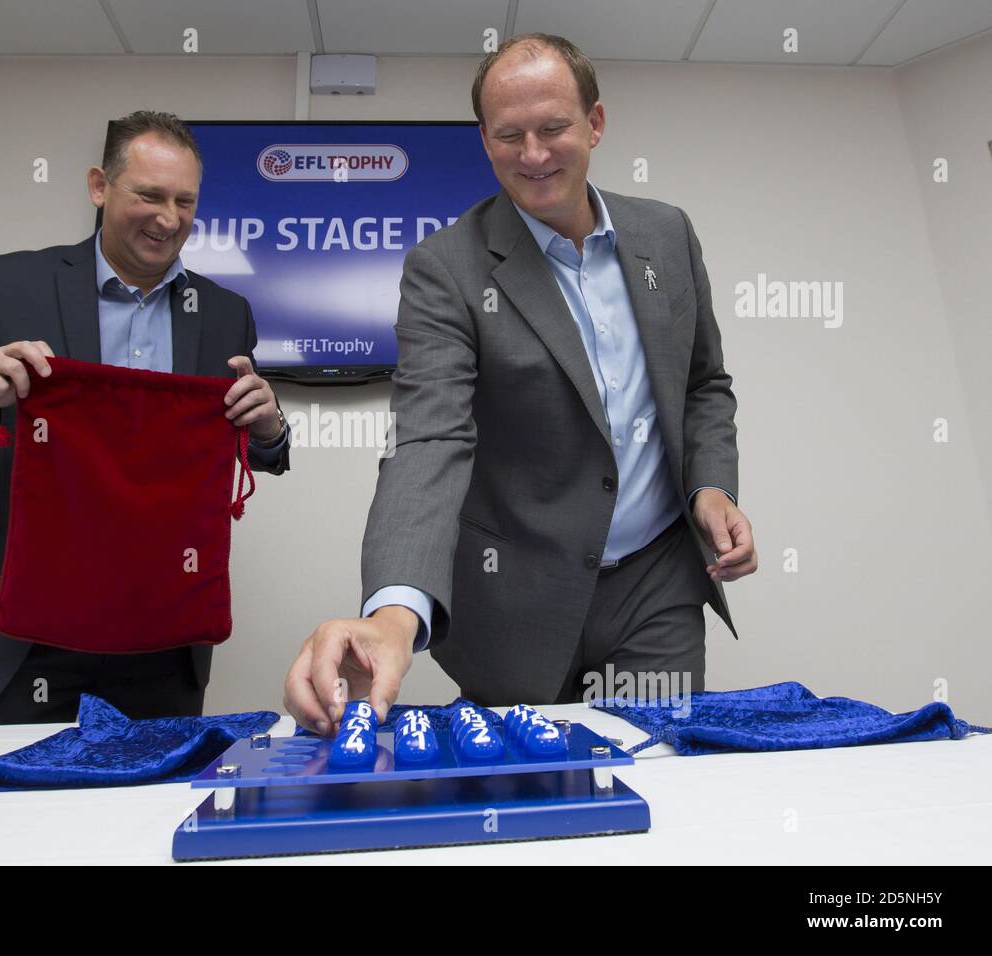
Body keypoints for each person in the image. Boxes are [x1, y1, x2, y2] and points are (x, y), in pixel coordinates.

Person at [285, 34, 757, 735]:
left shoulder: (667, 234)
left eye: (554, 128)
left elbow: (702, 384)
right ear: (484, 139)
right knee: (525, 796)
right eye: (510, 135)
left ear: (594, 123)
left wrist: (709, 487)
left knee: (658, 776)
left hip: (657, 582)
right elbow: (430, 440)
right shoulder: (445, 269)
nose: (533, 155)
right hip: (512, 599)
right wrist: (392, 615)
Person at [0, 111, 289, 726]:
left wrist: (268, 427)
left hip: (160, 641)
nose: (169, 219)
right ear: (99, 187)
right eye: (149, 195)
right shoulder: (10, 283)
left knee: (146, 820)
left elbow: (258, 447)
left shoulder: (224, 313)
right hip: (18, 639)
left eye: (185, 202)